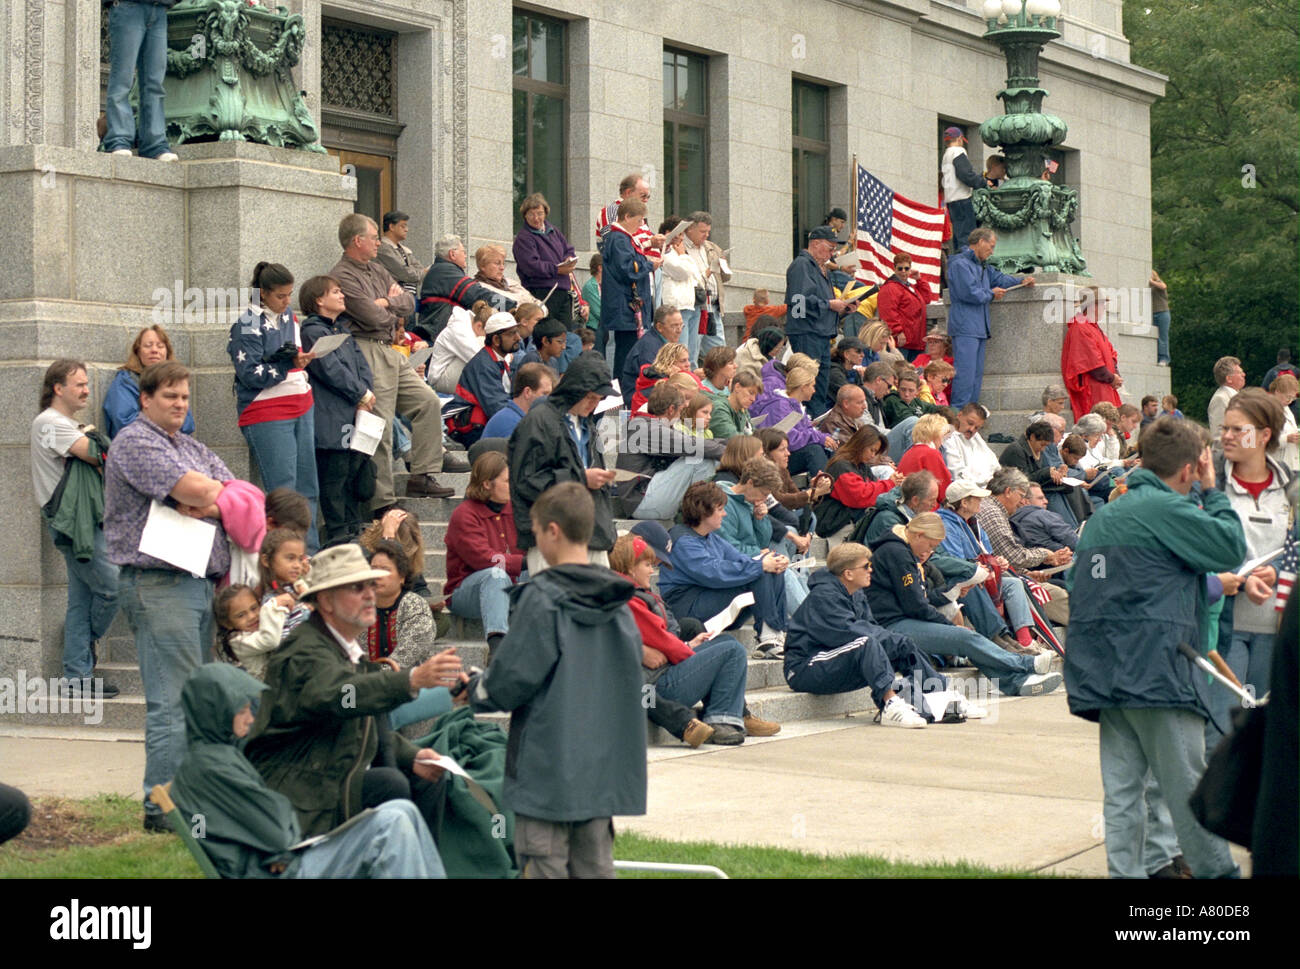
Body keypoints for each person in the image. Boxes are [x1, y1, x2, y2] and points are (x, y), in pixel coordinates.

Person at [1064, 417, 1246, 879]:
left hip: (1104, 672)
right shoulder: (1168, 509)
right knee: (1188, 790)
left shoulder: (1106, 515)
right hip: (1160, 670)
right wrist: (1211, 489)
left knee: (1122, 794)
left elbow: (1080, 584)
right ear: (1188, 469)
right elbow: (1229, 546)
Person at [467, 483, 645, 878]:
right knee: (595, 868)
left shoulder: (542, 598)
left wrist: (475, 687)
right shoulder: (619, 604)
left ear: (553, 531)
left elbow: (511, 682)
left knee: (544, 866)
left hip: (547, 768)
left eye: (531, 529)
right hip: (600, 771)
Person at [245, 544, 464, 838]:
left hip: (330, 770)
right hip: (299, 791)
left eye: (370, 585)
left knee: (427, 775)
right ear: (326, 600)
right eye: (356, 588)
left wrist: (412, 755)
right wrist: (411, 679)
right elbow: (344, 697)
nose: (370, 595)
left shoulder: (345, 648)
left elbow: (369, 720)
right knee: (390, 783)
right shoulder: (304, 652)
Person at [103, 361, 234, 832]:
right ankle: (161, 809)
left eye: (184, 396)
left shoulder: (189, 445)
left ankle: (188, 801)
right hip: (158, 586)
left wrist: (211, 500)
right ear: (145, 399)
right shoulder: (135, 441)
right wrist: (210, 495)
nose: (179, 403)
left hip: (198, 582)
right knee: (172, 702)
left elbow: (237, 491)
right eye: (169, 396)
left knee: (193, 701)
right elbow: (196, 487)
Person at [171, 664, 446, 878]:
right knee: (391, 823)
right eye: (242, 710)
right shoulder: (212, 767)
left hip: (278, 861)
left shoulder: (214, 756)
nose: (251, 717)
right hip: (276, 870)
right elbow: (277, 830)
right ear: (215, 712)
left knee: (402, 809)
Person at [331, 214, 458, 506]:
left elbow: (408, 304)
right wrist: (388, 306)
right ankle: (381, 501)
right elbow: (368, 314)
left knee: (427, 402)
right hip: (366, 348)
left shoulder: (377, 269)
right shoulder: (342, 275)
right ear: (357, 241)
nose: (379, 242)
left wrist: (387, 302)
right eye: (374, 237)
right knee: (381, 424)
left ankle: (422, 474)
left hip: (391, 348)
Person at [867, 513, 1062, 697]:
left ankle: (1015, 682)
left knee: (965, 637)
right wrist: (949, 625)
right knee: (963, 637)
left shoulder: (902, 550)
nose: (928, 552)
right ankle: (1025, 665)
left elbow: (919, 599)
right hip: (891, 625)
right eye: (929, 545)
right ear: (918, 535)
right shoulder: (897, 552)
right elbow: (915, 605)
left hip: (902, 620)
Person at [786, 542, 965, 726]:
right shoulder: (824, 597)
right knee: (867, 643)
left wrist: (899, 643)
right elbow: (850, 633)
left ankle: (940, 695)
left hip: (837, 658)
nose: (871, 570)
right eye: (866, 566)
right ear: (848, 573)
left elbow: (871, 626)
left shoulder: (855, 593)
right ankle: (889, 704)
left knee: (903, 645)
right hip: (804, 668)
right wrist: (892, 641)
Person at [612, 534, 759, 746]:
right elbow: (662, 640)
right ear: (630, 567)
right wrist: (688, 649)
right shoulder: (630, 598)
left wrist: (689, 645)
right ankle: (721, 720)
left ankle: (728, 714)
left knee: (724, 644)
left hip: (658, 674)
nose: (652, 571)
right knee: (732, 651)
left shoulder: (634, 592)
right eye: (647, 565)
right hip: (658, 682)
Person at [31, 359, 121, 698]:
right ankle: (84, 647)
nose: (86, 390)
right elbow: (97, 453)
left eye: (86, 384)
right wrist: (92, 435)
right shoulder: (49, 423)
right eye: (79, 384)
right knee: (113, 587)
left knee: (81, 602)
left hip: (85, 521)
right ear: (58, 388)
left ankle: (76, 678)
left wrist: (89, 433)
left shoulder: (64, 424)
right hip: (75, 525)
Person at [1207, 389, 1292, 746]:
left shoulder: (1292, 483)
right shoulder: (1209, 480)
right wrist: (1241, 577)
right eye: (1225, 428)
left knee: (1263, 732)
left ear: (1264, 435)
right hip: (1224, 626)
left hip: (1275, 626)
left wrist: (1279, 570)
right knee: (1222, 733)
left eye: (1237, 429)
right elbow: (1197, 541)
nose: (1226, 436)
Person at [227, 262, 320, 550]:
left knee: (308, 486)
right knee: (284, 487)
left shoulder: (290, 316)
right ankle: (285, 553)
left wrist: (299, 361)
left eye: (290, 294)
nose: (287, 301)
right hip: (267, 410)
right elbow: (250, 375)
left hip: (301, 402)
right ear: (263, 294)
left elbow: (292, 354)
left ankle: (310, 550)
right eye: (281, 296)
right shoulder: (248, 324)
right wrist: (285, 365)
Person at [509, 352, 619, 574]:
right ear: (575, 390)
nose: (594, 404)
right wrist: (582, 478)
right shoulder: (538, 421)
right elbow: (527, 481)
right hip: (553, 535)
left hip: (591, 532)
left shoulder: (586, 423)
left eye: (599, 400)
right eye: (591, 397)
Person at [297, 275, 377, 548]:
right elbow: (330, 369)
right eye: (335, 291)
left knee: (354, 472)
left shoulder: (340, 329)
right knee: (334, 475)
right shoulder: (312, 331)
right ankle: (338, 531)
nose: (342, 295)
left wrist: (366, 393)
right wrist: (360, 393)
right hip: (330, 416)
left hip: (353, 412)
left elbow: (360, 365)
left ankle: (353, 525)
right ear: (319, 300)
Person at [444, 451, 523, 660]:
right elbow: (483, 559)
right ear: (487, 484)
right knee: (495, 575)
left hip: (510, 583)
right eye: (507, 480)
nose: (512, 485)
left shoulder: (515, 509)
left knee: (546, 570)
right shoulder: (464, 515)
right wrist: (524, 563)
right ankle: (497, 648)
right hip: (466, 592)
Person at [946, 228, 1034, 408]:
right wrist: (991, 294)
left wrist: (1021, 281)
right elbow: (968, 292)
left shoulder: (981, 265)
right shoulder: (959, 263)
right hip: (965, 326)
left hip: (977, 327)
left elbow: (1000, 278)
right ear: (980, 242)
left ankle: (969, 418)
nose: (992, 251)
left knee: (976, 377)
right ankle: (957, 417)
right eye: (991, 246)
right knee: (965, 376)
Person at [976, 470, 1073, 627]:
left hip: (1005, 574)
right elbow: (1013, 556)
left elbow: (1006, 558)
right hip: (998, 579)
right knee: (1056, 594)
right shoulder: (993, 513)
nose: (1022, 501)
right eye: (1021, 495)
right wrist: (1047, 555)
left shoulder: (993, 509)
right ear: (1008, 491)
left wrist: (1027, 573)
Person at [616, 383, 725, 520]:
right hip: (642, 503)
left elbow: (692, 440)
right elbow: (692, 445)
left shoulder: (656, 425)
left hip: (651, 496)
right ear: (671, 409)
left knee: (707, 456)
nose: (680, 416)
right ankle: (700, 517)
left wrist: (732, 445)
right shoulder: (644, 428)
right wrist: (733, 452)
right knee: (699, 460)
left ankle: (705, 513)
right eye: (680, 411)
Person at [786, 226, 858, 417]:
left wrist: (843, 308)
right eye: (830, 247)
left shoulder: (822, 268)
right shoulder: (802, 265)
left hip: (821, 333)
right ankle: (808, 423)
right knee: (809, 384)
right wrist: (828, 305)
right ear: (815, 244)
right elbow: (797, 303)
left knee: (819, 386)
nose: (832, 253)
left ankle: (816, 423)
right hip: (807, 333)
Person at [100, 0, 178, 162]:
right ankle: (119, 140)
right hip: (128, 6)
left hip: (159, 8)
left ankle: (155, 144)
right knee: (123, 78)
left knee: (155, 83)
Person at [416, 234, 515, 343]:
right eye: (463, 252)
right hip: (436, 334)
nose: (465, 256)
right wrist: (511, 306)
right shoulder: (445, 272)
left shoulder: (442, 270)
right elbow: (476, 294)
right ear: (452, 254)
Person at [103, 326, 195, 439]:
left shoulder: (176, 381)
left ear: (167, 352)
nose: (154, 350)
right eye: (148, 346)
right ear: (138, 351)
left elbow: (187, 425)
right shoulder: (126, 381)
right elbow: (125, 422)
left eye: (160, 346)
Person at [751, 362, 836, 476]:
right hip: (775, 458)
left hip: (788, 453)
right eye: (812, 386)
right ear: (803, 387)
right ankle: (827, 488)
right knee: (813, 450)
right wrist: (818, 438)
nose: (814, 390)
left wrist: (824, 438)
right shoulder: (779, 406)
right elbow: (789, 439)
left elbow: (807, 430)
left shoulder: (795, 405)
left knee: (830, 448)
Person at [513, 193, 584, 330]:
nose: (536, 218)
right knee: (547, 333)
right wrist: (556, 269)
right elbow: (531, 266)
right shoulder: (524, 238)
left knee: (565, 334)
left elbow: (568, 248)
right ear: (525, 216)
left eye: (539, 213)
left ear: (545, 213)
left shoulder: (553, 231)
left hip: (562, 290)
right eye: (531, 214)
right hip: (542, 292)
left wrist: (569, 258)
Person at [448, 311, 520, 445]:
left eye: (517, 332)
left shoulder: (497, 360)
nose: (518, 338)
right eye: (511, 334)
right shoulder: (484, 365)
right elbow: (496, 407)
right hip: (468, 430)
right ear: (496, 340)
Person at [1061, 287, 1122, 421]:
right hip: (1094, 390)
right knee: (1099, 428)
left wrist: (1115, 375)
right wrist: (1112, 378)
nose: (1104, 308)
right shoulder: (1081, 328)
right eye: (1102, 304)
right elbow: (1092, 363)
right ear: (1092, 305)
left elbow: (1111, 354)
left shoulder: (1092, 327)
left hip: (1104, 387)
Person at [213, 583, 293, 681]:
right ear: (228, 624)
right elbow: (270, 640)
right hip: (268, 690)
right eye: (241, 615)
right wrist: (272, 606)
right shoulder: (238, 642)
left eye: (254, 608)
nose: (252, 616)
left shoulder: (262, 625)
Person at [683, 213, 731, 363]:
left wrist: (723, 265)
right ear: (690, 229)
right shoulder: (680, 247)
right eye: (702, 232)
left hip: (714, 306)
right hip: (695, 305)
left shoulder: (711, 248)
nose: (706, 235)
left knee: (720, 354)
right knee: (691, 350)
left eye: (708, 232)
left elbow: (726, 278)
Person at [621, 305, 685, 406]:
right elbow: (654, 380)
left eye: (681, 325)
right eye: (674, 326)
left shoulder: (663, 342)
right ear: (659, 327)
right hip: (639, 400)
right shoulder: (649, 347)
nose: (679, 330)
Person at [877, 253, 933, 361]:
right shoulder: (890, 288)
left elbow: (926, 299)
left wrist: (919, 280)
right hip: (901, 341)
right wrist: (897, 332)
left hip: (915, 342)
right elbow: (888, 312)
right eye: (900, 268)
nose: (903, 271)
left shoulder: (909, 287)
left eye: (906, 268)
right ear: (894, 268)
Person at [480, 362, 554, 441]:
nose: (549, 399)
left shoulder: (518, 418)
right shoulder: (509, 423)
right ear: (527, 392)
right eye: (545, 393)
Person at [940, 127, 985, 247]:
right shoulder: (958, 151)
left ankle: (959, 260)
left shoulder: (946, 155)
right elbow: (965, 174)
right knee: (968, 237)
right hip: (962, 199)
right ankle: (967, 263)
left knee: (958, 236)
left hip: (951, 200)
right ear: (960, 139)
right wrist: (981, 183)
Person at [897, 413, 953, 503]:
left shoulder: (910, 452)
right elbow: (945, 493)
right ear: (936, 434)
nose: (943, 441)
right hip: (926, 506)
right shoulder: (931, 454)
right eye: (943, 436)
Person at [472, 243, 544, 313]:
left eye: (503, 263)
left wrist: (540, 310)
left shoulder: (511, 282)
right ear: (482, 266)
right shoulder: (479, 288)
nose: (502, 268)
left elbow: (536, 302)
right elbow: (505, 308)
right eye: (497, 263)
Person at [942, 403, 1000, 487]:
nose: (972, 429)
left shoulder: (976, 436)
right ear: (959, 415)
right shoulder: (948, 436)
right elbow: (957, 473)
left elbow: (994, 464)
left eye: (977, 428)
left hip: (989, 486)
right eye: (970, 423)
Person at [375, 210, 427, 301]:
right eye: (403, 226)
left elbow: (419, 267)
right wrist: (422, 273)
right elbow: (405, 273)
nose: (407, 229)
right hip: (395, 298)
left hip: (410, 297)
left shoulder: (403, 249)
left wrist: (420, 272)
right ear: (391, 227)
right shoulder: (383, 249)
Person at [1010, 483, 1078, 552]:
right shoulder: (1041, 515)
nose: (1046, 501)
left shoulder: (1010, 523)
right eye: (1040, 498)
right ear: (1025, 501)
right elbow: (1073, 541)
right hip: (1065, 558)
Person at [708, 371, 761, 440]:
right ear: (737, 387)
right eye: (751, 393)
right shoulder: (719, 409)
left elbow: (753, 433)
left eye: (755, 395)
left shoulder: (743, 409)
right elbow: (733, 439)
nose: (753, 399)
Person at [1208, 355, 1246, 450]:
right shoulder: (1220, 399)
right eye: (1240, 372)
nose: (1244, 374)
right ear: (1229, 379)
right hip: (1228, 459)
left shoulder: (1237, 396)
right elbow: (1218, 436)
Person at [1268, 373, 1300, 471]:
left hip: (1292, 464)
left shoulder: (1286, 408)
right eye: (1288, 396)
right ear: (1277, 392)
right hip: (1276, 465)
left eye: (1293, 398)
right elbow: (1262, 440)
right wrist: (1286, 439)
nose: (1290, 401)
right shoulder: (1267, 409)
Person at [1149, 268, 1171, 366]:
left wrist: (1152, 281)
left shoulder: (1157, 282)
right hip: (1153, 313)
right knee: (1155, 336)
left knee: (1162, 336)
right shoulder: (1150, 287)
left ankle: (1164, 358)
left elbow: (1163, 286)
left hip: (1162, 312)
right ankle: (1156, 357)